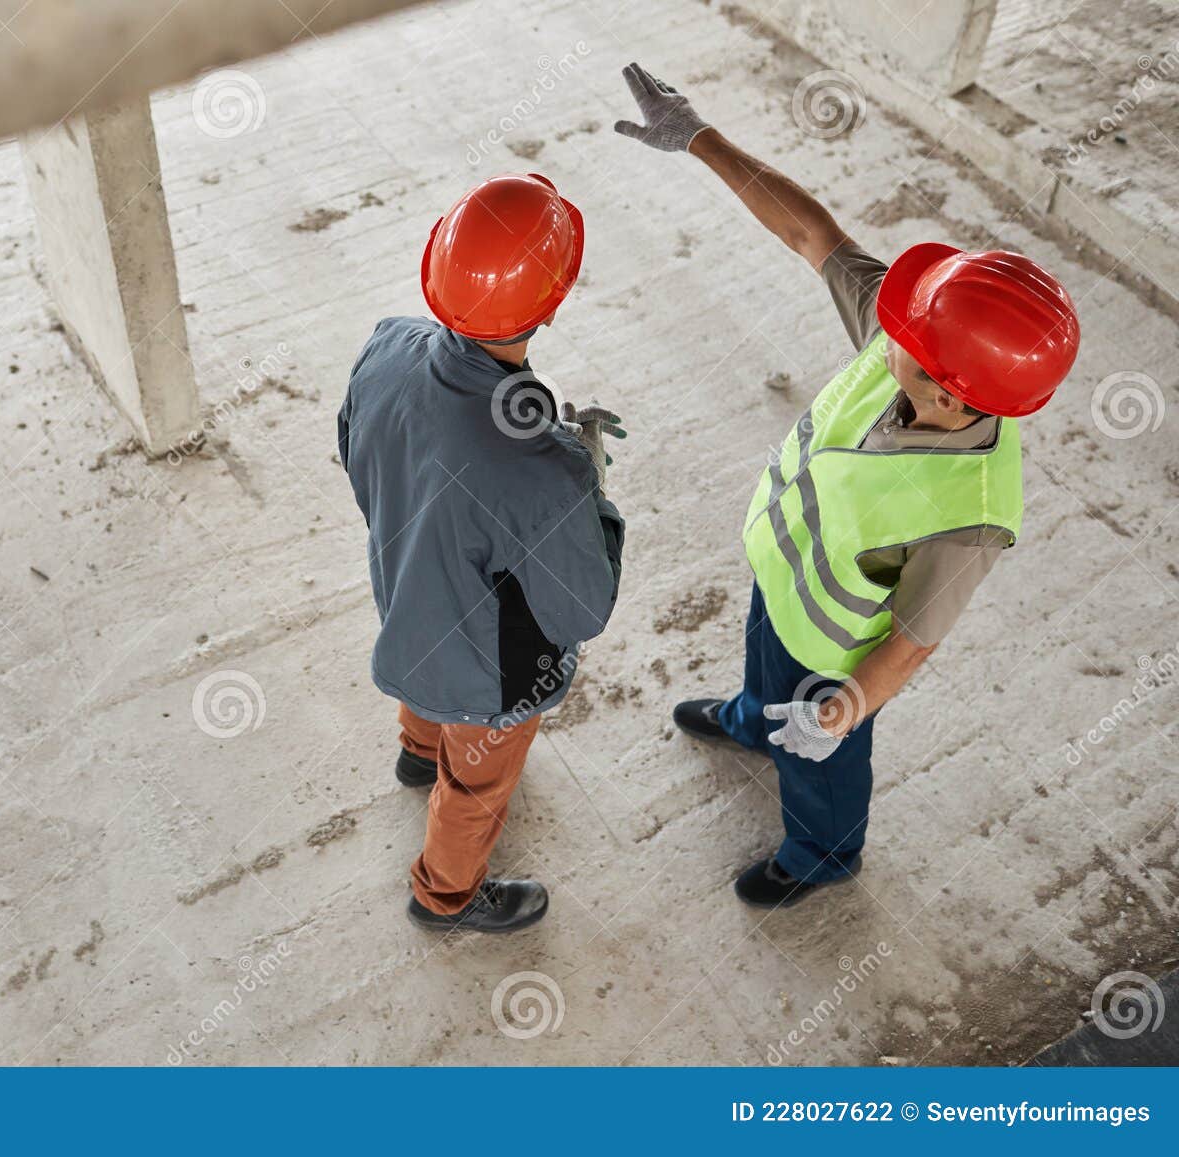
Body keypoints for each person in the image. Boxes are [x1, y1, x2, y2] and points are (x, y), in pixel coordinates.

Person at [613, 64, 1080, 907]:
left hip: (835, 654)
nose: (887, 315)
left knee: (819, 751)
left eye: (907, 326)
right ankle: (753, 719)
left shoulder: (972, 515)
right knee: (764, 669)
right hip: (784, 575)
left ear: (948, 391)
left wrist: (846, 708)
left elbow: (916, 638)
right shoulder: (908, 350)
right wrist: (699, 138)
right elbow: (809, 234)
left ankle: (825, 850)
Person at [337, 173, 627, 933]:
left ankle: (414, 748)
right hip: (487, 669)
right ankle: (447, 894)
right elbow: (579, 608)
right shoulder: (542, 466)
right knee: (474, 786)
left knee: (426, 624)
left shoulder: (386, 347)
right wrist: (585, 483)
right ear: (553, 302)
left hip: (406, 592)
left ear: (436, 267)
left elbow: (356, 453)